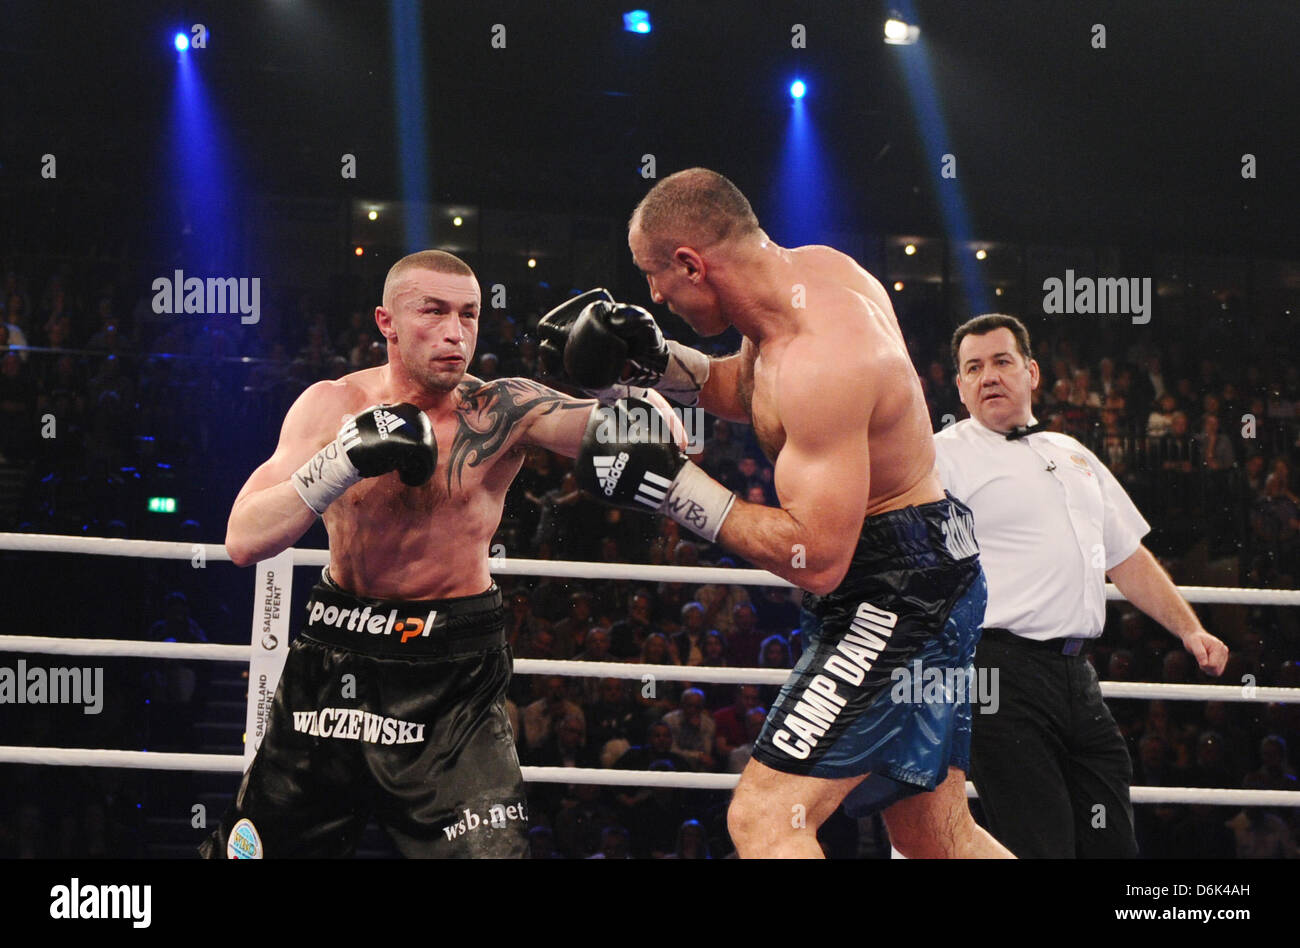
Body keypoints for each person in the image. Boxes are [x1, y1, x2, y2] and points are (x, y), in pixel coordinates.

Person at [539, 167, 1010, 858]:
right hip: (919, 573)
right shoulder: (810, 278)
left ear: (690, 264)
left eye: (653, 275)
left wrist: (674, 488)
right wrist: (655, 362)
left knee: (767, 817)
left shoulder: (827, 359)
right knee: (935, 833)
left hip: (895, 593)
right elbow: (753, 387)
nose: (653, 295)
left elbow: (816, 560)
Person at [199, 249, 611, 858]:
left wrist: (633, 373)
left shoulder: (505, 409)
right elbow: (243, 538)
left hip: (454, 678)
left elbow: (660, 442)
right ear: (386, 322)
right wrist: (338, 463)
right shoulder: (332, 405)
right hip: (335, 662)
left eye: (469, 315)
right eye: (433, 311)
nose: (456, 332)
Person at [933, 312, 1229, 858]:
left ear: (1032, 372)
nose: (988, 376)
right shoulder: (942, 455)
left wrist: (1190, 631)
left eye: (1001, 361)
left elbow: (1126, 557)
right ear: (960, 385)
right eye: (973, 368)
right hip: (997, 674)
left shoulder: (1074, 455)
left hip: (1076, 674)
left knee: (1112, 841)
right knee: (1039, 842)